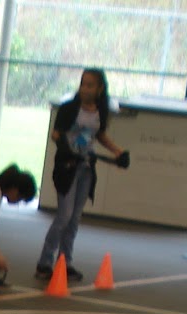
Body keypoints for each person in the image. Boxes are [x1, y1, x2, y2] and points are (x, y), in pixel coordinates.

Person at [34, 68, 129, 283]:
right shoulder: (69, 109)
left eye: (89, 85)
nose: (84, 88)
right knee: (64, 216)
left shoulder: (101, 111)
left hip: (86, 168)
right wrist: (65, 148)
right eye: (82, 83)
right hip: (66, 168)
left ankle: (64, 263)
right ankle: (44, 262)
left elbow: (100, 135)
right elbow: (56, 134)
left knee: (75, 218)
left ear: (100, 89)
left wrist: (118, 152)